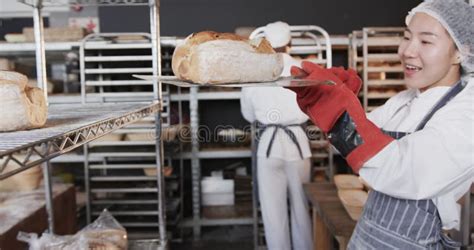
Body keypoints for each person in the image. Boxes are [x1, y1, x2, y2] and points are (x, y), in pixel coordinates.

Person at [288, 0, 473, 249]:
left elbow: (402, 171)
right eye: (406, 37)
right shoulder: (405, 100)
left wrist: (342, 114)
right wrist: (331, 105)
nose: (407, 50)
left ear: (462, 51)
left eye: (426, 41)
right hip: (367, 238)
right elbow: (350, 149)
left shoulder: (465, 113)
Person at [240, 21, 313, 250]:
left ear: (267, 44)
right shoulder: (304, 69)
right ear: (290, 43)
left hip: (268, 148)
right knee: (302, 209)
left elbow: (248, 115)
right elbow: (314, 106)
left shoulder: (255, 73)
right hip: (299, 146)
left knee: (273, 214)